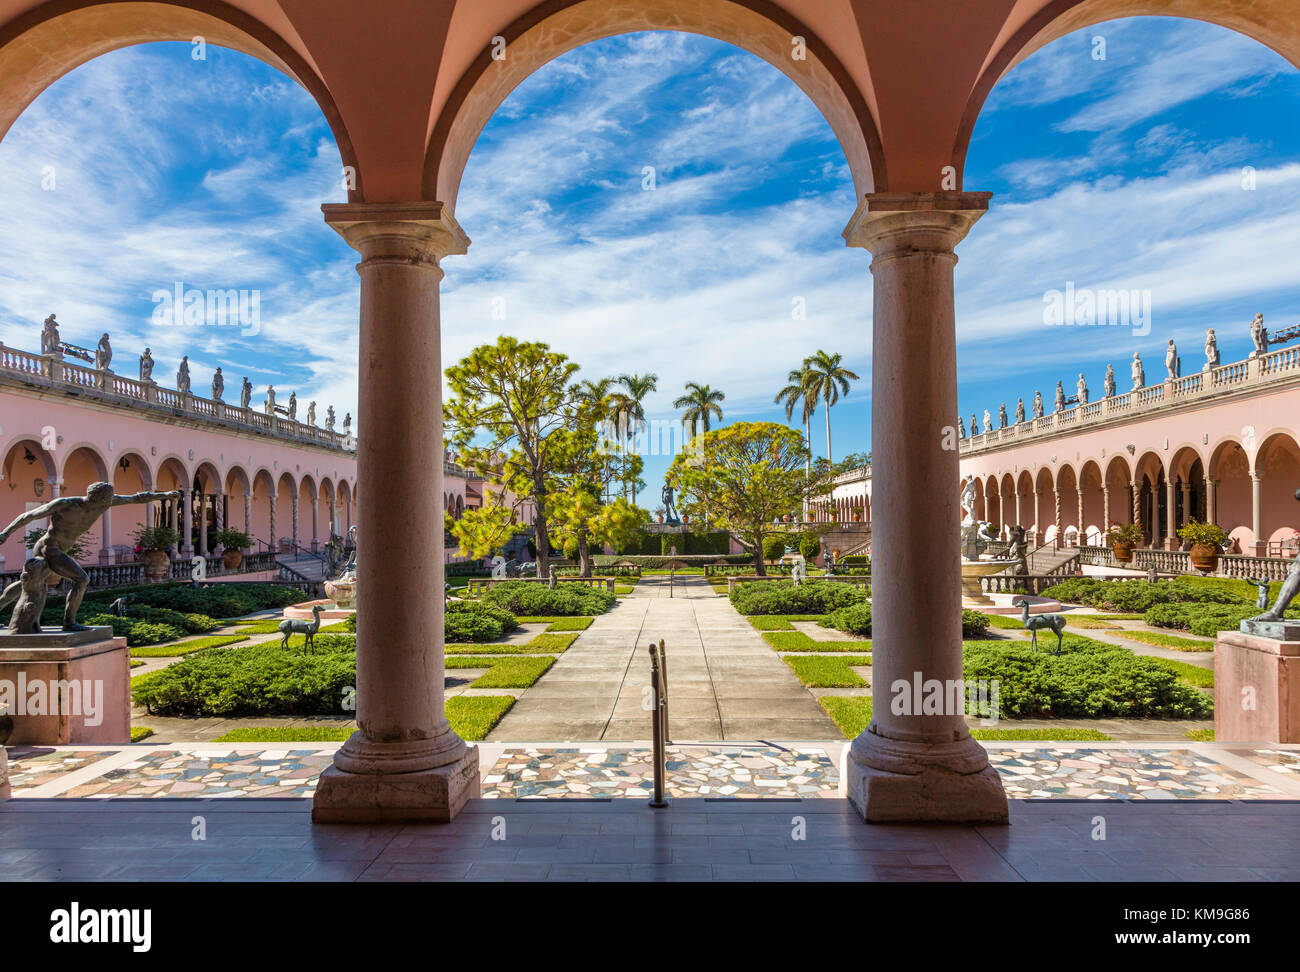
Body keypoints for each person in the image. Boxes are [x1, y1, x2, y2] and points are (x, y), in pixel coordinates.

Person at [0, 483, 180, 633]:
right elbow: (29, 515)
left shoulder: (103, 503)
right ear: (96, 498)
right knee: (82, 579)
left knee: (28, 584)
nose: (109, 503)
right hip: (50, 547)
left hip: (61, 548)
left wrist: (164, 494)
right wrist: (5, 533)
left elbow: (135, 497)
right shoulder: (66, 504)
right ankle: (69, 622)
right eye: (106, 500)